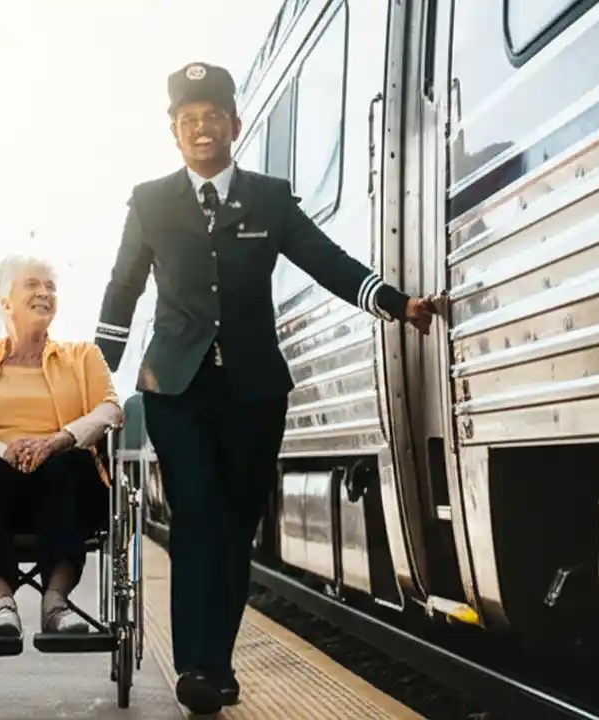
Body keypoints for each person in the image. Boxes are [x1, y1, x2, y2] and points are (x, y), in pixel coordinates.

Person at [95, 62, 436, 714]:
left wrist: (395, 302)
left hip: (254, 393)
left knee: (235, 527)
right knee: (195, 518)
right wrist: (92, 371)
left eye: (212, 117)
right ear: (174, 133)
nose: (201, 129)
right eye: (189, 120)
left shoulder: (271, 199)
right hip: (177, 390)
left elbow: (327, 260)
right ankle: (195, 667)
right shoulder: (150, 202)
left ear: (234, 126)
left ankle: (217, 665)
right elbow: (122, 287)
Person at [0, 255, 123, 637]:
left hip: (62, 483)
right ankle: (0, 602)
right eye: (32, 285)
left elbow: (111, 410)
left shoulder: (84, 356)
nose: (45, 293)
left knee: (70, 466)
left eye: (50, 287)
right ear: (5, 303)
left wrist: (57, 441)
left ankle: (56, 602)